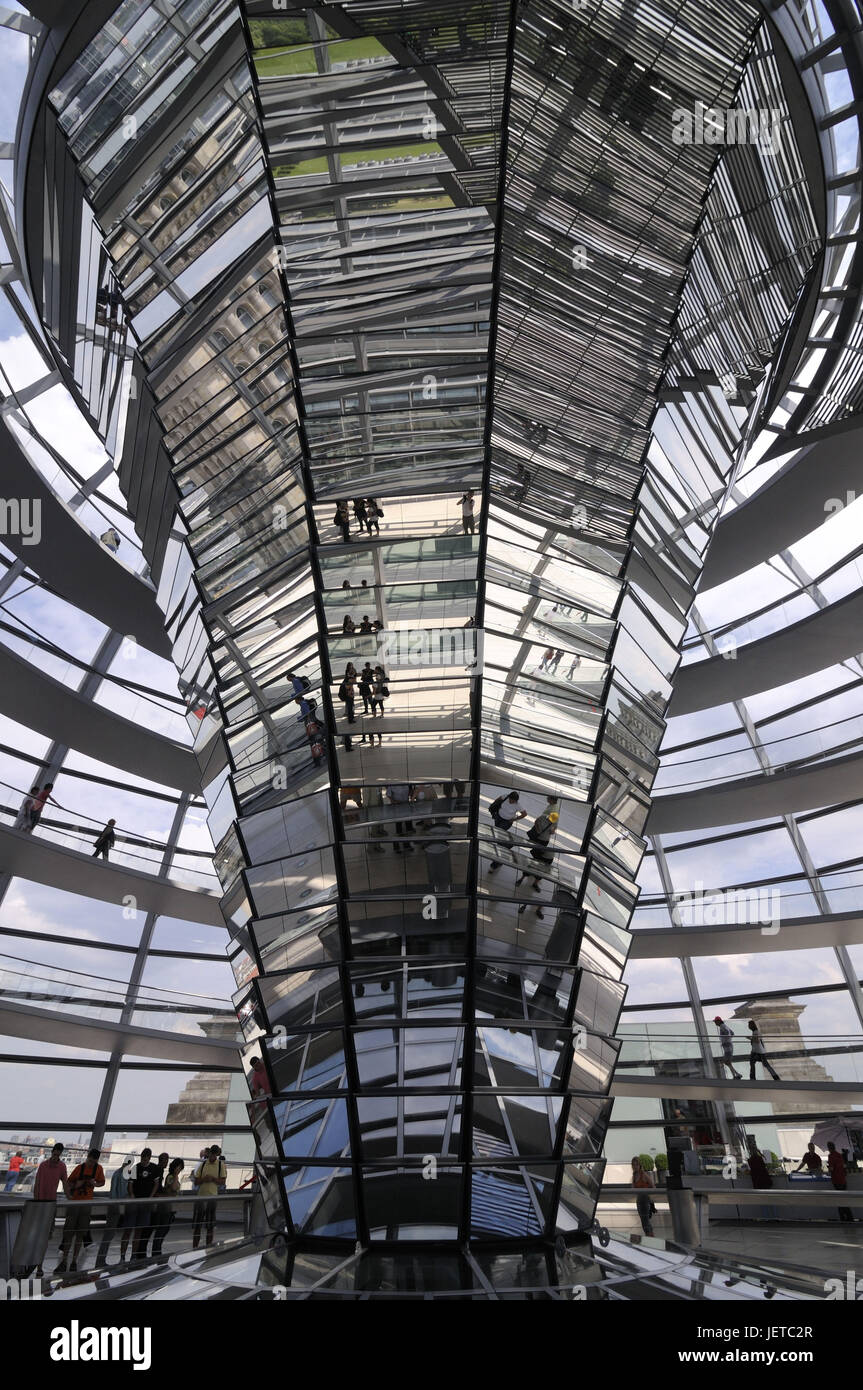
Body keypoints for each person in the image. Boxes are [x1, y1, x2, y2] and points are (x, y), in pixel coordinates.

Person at [55, 1147, 105, 1275]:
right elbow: (69, 1183)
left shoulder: (98, 1169)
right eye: (90, 1161)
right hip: (75, 1204)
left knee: (80, 1234)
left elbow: (102, 1182)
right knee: (69, 1233)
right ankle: (65, 1261)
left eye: (93, 1162)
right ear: (88, 1158)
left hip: (85, 1204)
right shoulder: (79, 1168)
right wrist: (78, 1185)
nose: (91, 1163)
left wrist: (94, 1184)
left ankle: (73, 1261)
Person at [96, 1157, 133, 1266]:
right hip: (116, 1207)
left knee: (110, 1234)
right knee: (109, 1234)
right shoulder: (118, 1174)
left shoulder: (125, 1174)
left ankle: (101, 1259)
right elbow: (113, 1193)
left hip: (120, 1206)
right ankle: (100, 1260)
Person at [192, 1145, 227, 1249]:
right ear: (209, 1153)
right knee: (198, 1226)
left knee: (210, 1226)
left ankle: (208, 1249)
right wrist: (204, 1179)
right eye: (211, 1154)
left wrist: (212, 1179)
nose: (212, 1157)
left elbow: (223, 1181)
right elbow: (196, 1181)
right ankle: (195, 1248)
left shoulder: (220, 1165)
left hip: (212, 1198)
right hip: (201, 1197)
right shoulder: (203, 1164)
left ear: (217, 1155)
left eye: (214, 1155)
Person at [515, 809, 558, 891]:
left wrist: (552, 831)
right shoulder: (543, 817)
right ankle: (523, 877)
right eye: (550, 819)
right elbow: (536, 821)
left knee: (538, 859)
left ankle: (534, 880)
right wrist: (538, 828)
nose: (550, 821)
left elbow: (554, 829)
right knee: (535, 857)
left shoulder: (554, 822)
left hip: (545, 840)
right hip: (538, 837)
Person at [129, 1147, 160, 1262]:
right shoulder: (136, 1168)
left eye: (146, 1160)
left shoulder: (154, 1169)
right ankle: (128, 1255)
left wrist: (150, 1197)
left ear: (149, 1158)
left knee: (139, 1230)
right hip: (136, 1201)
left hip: (146, 1202)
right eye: (143, 1159)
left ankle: (134, 1254)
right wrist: (132, 1194)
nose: (144, 1161)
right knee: (131, 1229)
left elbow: (156, 1184)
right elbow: (130, 1184)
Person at [151, 1158, 184, 1257]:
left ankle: (157, 1252)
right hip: (166, 1207)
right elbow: (173, 1188)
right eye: (179, 1167)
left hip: (171, 1208)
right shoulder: (171, 1177)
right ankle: (156, 1253)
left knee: (164, 1230)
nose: (179, 1169)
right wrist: (175, 1176)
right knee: (161, 1230)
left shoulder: (174, 1177)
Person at [488, 792, 527, 872]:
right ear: (509, 797)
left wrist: (514, 819)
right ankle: (505, 848)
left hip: (506, 822)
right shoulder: (505, 796)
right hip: (498, 817)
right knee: (498, 834)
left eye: (513, 801)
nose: (511, 802)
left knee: (499, 836)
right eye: (511, 800)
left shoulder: (518, 805)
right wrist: (496, 810)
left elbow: (524, 814)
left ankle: (497, 860)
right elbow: (497, 800)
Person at [827, 1142, 853, 1221]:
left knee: (839, 1200)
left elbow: (831, 1169)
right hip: (843, 1180)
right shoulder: (839, 1155)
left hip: (837, 1180)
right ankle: (849, 1217)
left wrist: (829, 1168)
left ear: (829, 1148)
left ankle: (843, 1218)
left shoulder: (831, 1156)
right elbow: (844, 1167)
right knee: (844, 1199)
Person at [387, 784, 414, 853]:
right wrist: (394, 802)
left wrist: (411, 796)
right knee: (399, 829)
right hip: (397, 808)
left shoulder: (407, 783)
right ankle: (397, 846)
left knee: (408, 827)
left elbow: (411, 792)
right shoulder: (392, 784)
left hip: (406, 806)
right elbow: (388, 795)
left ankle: (407, 845)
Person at [631, 1156, 654, 1236]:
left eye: (636, 1164)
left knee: (646, 1221)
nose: (635, 1166)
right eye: (633, 1165)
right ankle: (649, 1237)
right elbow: (633, 1188)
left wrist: (645, 1190)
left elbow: (652, 1185)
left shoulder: (643, 1175)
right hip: (639, 1200)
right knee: (644, 1221)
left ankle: (651, 1238)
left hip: (645, 1200)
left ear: (640, 1165)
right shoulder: (634, 1176)